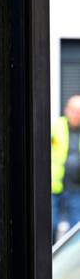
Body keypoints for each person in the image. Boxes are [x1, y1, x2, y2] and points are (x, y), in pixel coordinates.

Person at [52, 95, 80, 240]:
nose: (77, 115)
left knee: (76, 227)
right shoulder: (56, 126)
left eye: (79, 112)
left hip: (76, 188)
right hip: (55, 186)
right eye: (74, 111)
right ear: (66, 110)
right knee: (50, 224)